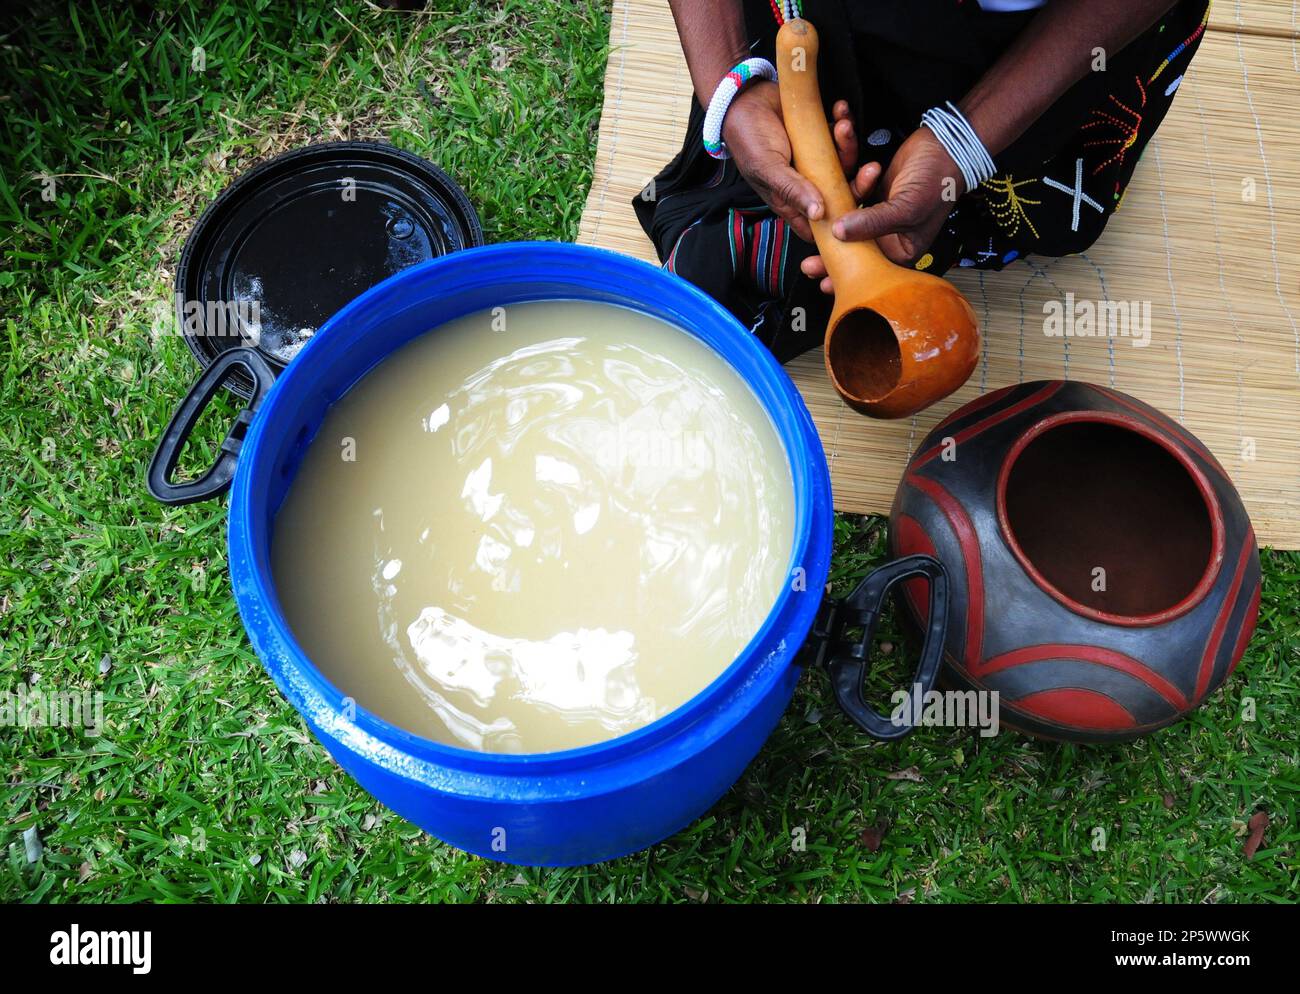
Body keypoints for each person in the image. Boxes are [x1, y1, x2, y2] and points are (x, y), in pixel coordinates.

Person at [635, 0, 1209, 362]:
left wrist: (966, 141)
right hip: (828, 19)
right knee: (760, 228)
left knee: (1033, 190)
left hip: (1064, 33)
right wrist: (727, 87)